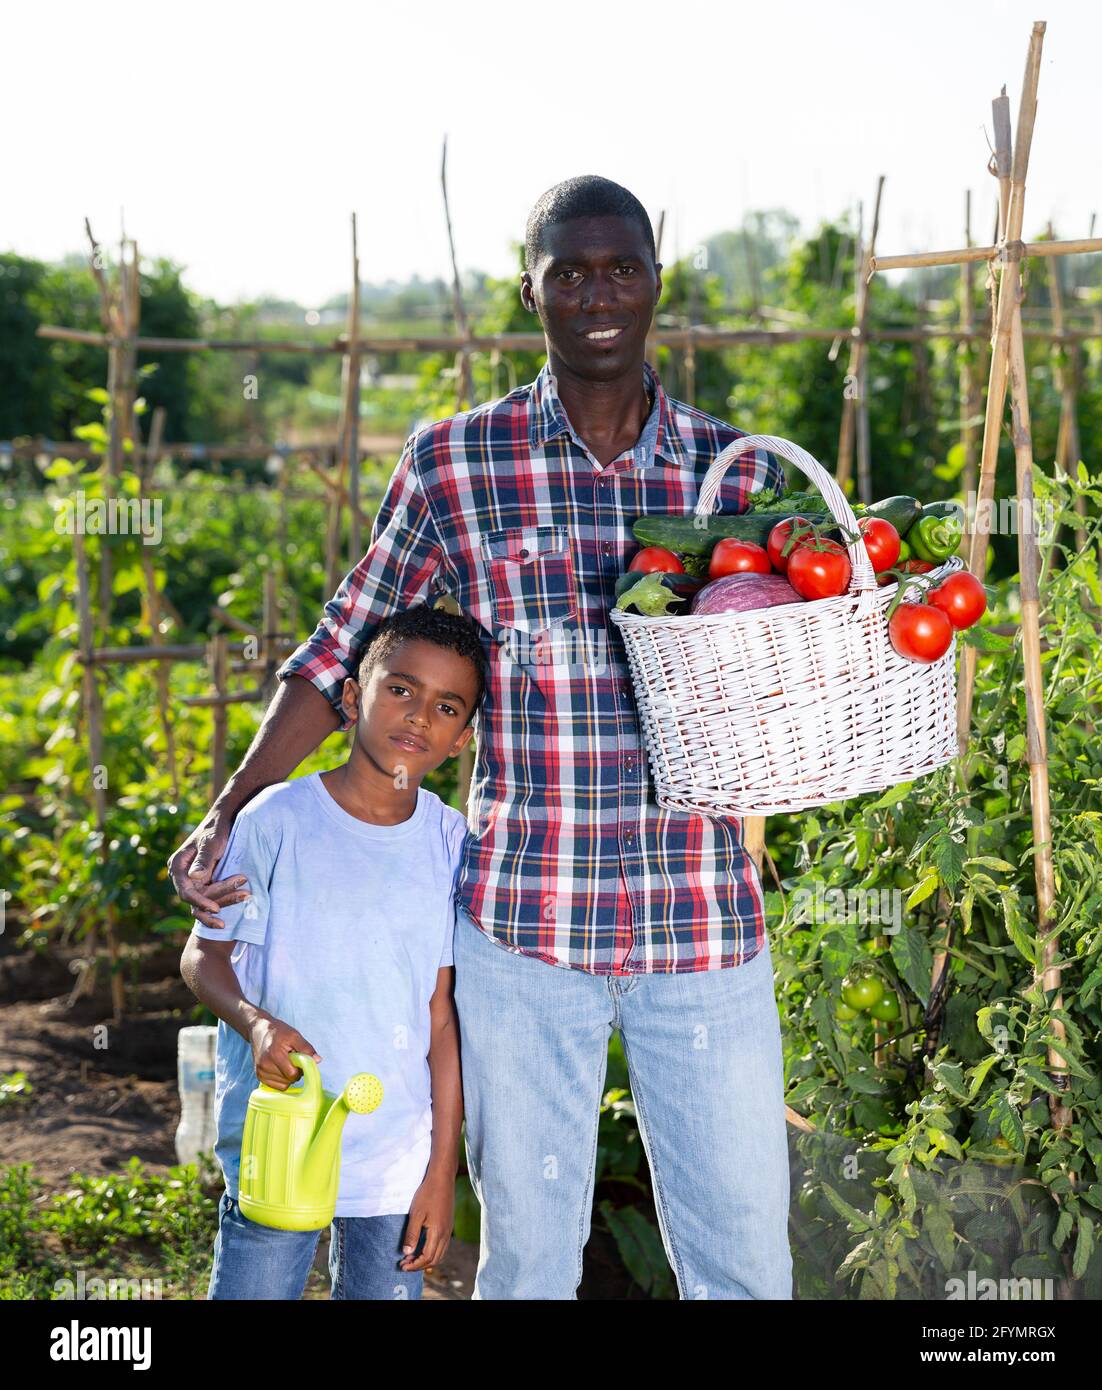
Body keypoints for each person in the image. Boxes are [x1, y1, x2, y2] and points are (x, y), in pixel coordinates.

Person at [170, 173, 793, 1300]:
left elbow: (783, 669)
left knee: (743, 1257)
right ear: (531, 291)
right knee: (526, 1264)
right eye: (569, 272)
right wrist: (227, 809)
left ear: (656, 283)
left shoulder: (730, 473)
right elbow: (337, 652)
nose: (597, 291)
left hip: (699, 915)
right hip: (524, 928)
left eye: (620, 268)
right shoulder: (457, 461)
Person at [179, 604, 486, 1300]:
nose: (417, 716)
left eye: (445, 706)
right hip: (279, 1130)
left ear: (461, 737)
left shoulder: (449, 845)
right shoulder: (275, 821)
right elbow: (203, 958)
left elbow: (441, 1018)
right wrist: (255, 1023)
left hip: (394, 1158)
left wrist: (440, 1172)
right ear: (352, 698)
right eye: (399, 689)